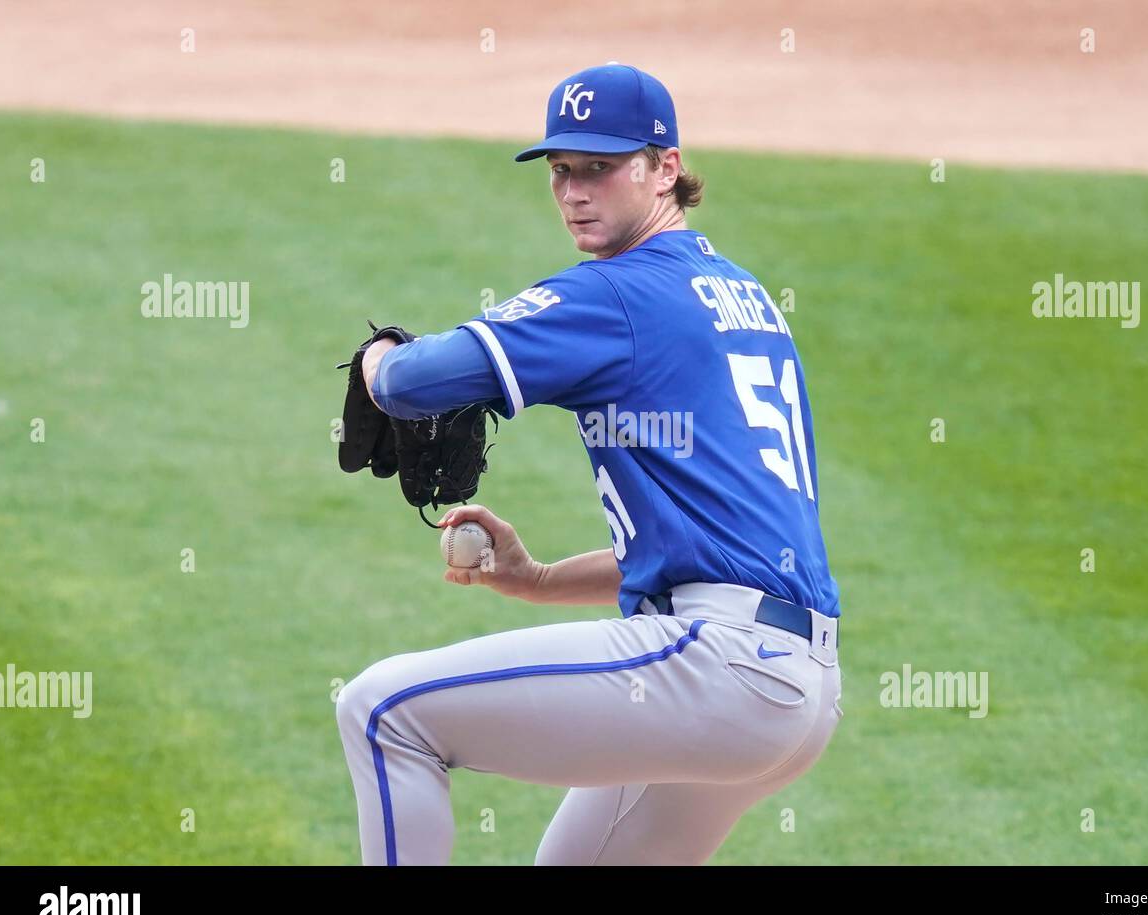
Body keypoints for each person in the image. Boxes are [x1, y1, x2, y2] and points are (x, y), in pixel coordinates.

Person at [336, 63, 843, 865]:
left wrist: (379, 353)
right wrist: (537, 580)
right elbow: (718, 547)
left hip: (718, 669)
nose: (574, 190)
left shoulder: (619, 294)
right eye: (562, 170)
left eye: (600, 169)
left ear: (665, 166)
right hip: (794, 691)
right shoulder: (743, 296)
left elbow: (410, 384)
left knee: (383, 710)